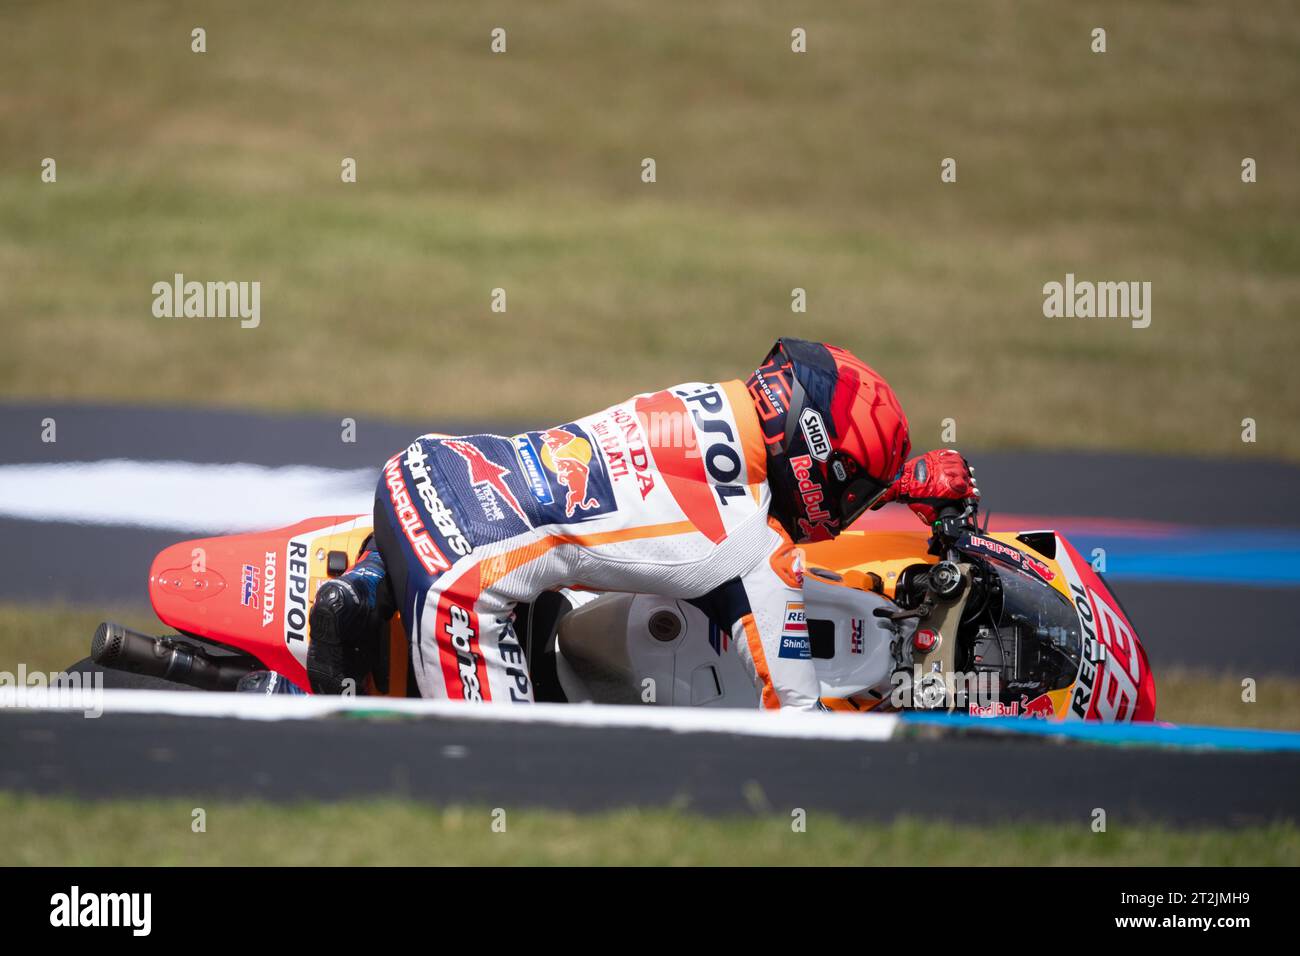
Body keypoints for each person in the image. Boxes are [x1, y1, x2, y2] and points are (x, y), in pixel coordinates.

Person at [306, 338, 978, 709]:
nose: (850, 512)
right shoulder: (752, 551)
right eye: (853, 491)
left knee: (551, 591)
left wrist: (898, 480)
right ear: (816, 465)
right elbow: (796, 719)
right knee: (513, 798)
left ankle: (369, 585)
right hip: (462, 583)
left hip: (432, 467)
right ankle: (292, 713)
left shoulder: (710, 400)